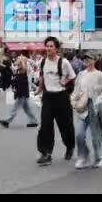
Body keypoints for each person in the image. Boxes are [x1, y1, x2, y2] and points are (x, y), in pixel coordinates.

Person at [35, 37, 76, 166]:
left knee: (66, 126)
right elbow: (42, 77)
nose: (48, 48)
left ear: (56, 48)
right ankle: (46, 153)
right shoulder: (43, 62)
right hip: (48, 97)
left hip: (61, 97)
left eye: (51, 46)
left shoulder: (64, 62)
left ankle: (69, 146)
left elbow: (73, 76)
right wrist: (39, 89)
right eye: (47, 46)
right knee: (45, 126)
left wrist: (65, 81)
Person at [71, 53, 102, 169]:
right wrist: (73, 101)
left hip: (95, 109)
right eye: (85, 58)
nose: (86, 60)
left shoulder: (100, 75)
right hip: (82, 108)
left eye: (89, 58)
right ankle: (83, 156)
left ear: (94, 60)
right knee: (79, 134)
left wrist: (100, 98)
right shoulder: (81, 75)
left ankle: (98, 158)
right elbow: (76, 90)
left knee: (96, 136)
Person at [0, 55, 38, 129]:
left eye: (17, 60)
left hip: (22, 92)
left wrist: (16, 89)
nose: (16, 61)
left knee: (15, 108)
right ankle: (33, 121)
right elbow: (13, 71)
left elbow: (20, 82)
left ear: (20, 62)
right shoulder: (20, 70)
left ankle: (7, 120)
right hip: (23, 92)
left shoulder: (23, 70)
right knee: (27, 108)